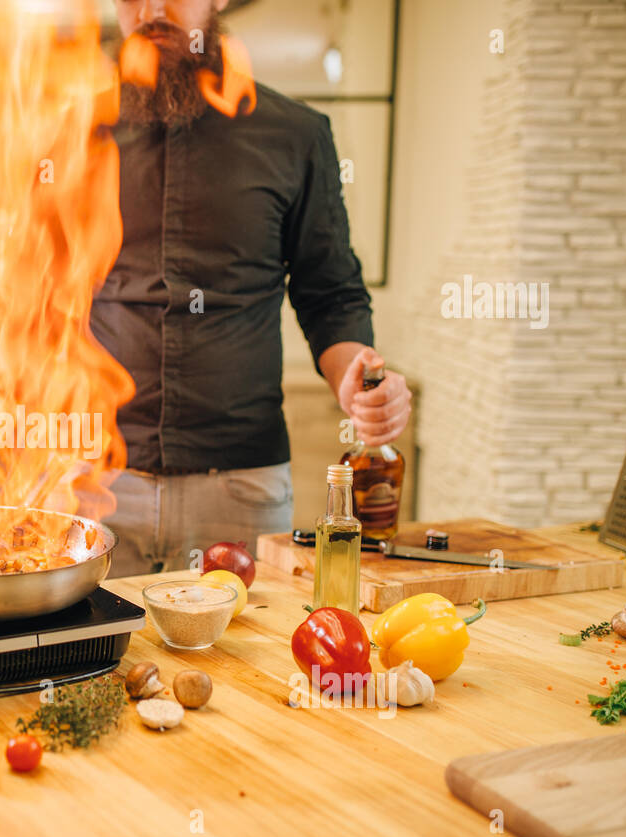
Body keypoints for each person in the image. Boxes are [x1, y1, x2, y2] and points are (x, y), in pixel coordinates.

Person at [93, 0, 412, 577]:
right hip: (92, 485)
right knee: (88, 667)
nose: (151, 9)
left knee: (246, 665)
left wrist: (356, 382)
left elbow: (331, 294)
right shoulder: (68, 133)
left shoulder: (294, 135)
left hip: (241, 489)